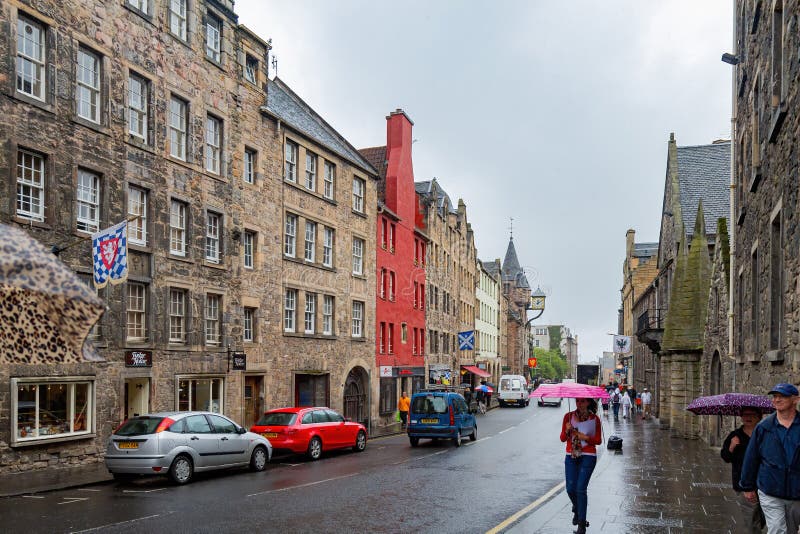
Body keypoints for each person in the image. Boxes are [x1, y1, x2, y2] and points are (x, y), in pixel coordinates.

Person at [740, 383, 800, 534]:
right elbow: (751, 457)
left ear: (795, 399)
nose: (777, 400)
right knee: (777, 529)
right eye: (775, 397)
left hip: (797, 491)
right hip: (770, 488)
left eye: (782, 396)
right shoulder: (764, 427)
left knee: (791, 530)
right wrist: (747, 486)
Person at [560, 397, 602, 534]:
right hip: (571, 455)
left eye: (583, 401)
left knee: (580, 489)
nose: (579, 403)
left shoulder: (594, 419)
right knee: (570, 489)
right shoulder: (568, 416)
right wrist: (567, 431)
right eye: (577, 401)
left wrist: (586, 438)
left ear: (588, 402)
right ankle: (577, 509)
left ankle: (582, 525)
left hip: (588, 456)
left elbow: (598, 441)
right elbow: (562, 439)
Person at [721, 407, 765, 533]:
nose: (748, 417)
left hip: (765, 482)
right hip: (744, 483)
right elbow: (725, 457)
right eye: (745, 415)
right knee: (751, 519)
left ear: (759, 417)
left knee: (763, 517)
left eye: (752, 414)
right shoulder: (735, 436)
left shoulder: (765, 435)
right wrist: (731, 447)